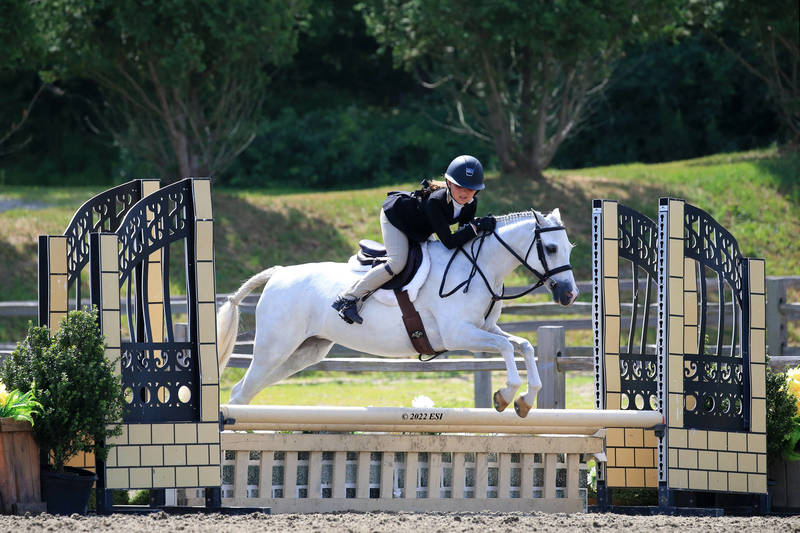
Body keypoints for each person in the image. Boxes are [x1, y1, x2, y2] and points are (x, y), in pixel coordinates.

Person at [332, 155, 496, 324]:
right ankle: (347, 298)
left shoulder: (471, 203)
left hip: (422, 227)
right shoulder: (435, 201)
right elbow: (449, 242)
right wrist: (476, 227)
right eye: (459, 186)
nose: (465, 192)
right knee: (397, 263)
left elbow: (463, 235)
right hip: (397, 217)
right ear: (448, 183)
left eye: (471, 189)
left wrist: (480, 228)